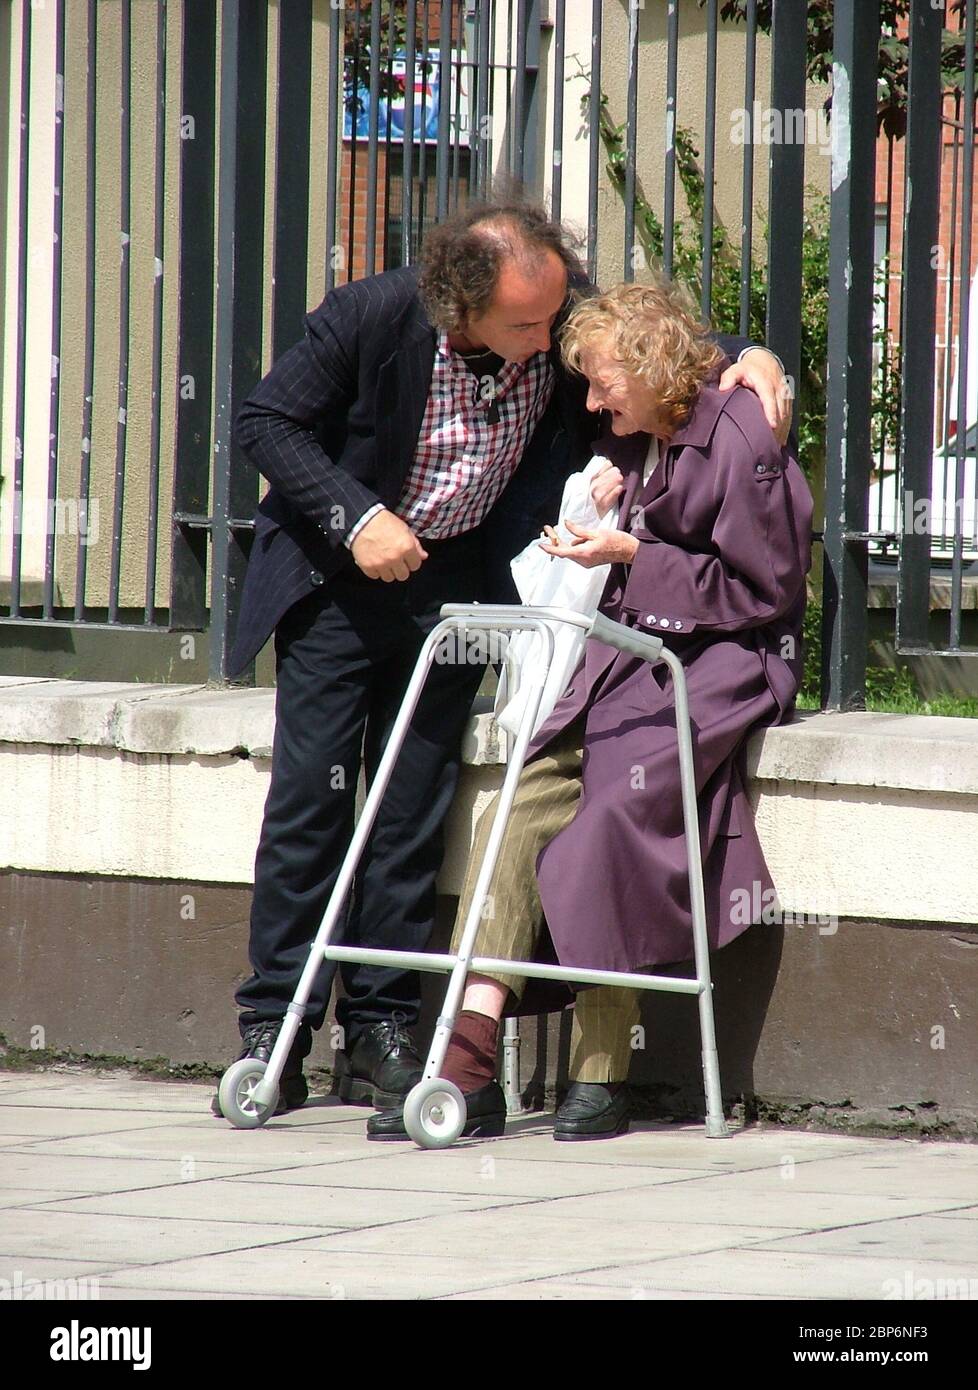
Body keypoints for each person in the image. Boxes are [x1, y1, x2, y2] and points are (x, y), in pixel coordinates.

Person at [216, 200, 793, 1118]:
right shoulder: (367, 317)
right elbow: (265, 422)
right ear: (461, 306)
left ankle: (383, 1030)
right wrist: (358, 517)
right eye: (526, 323)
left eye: (551, 315)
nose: (548, 335)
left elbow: (656, 348)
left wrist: (754, 358)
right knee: (312, 803)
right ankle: (274, 1028)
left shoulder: (550, 309)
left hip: (449, 586)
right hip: (341, 576)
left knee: (413, 802)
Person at [367, 274, 813, 1142]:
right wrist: (599, 539)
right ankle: (469, 1056)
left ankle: (602, 1073)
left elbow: (764, 589)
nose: (594, 398)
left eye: (605, 380)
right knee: (520, 803)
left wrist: (632, 556)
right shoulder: (650, 426)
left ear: (650, 368)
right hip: (632, 652)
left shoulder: (740, 433)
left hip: (720, 663)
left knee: (612, 811)